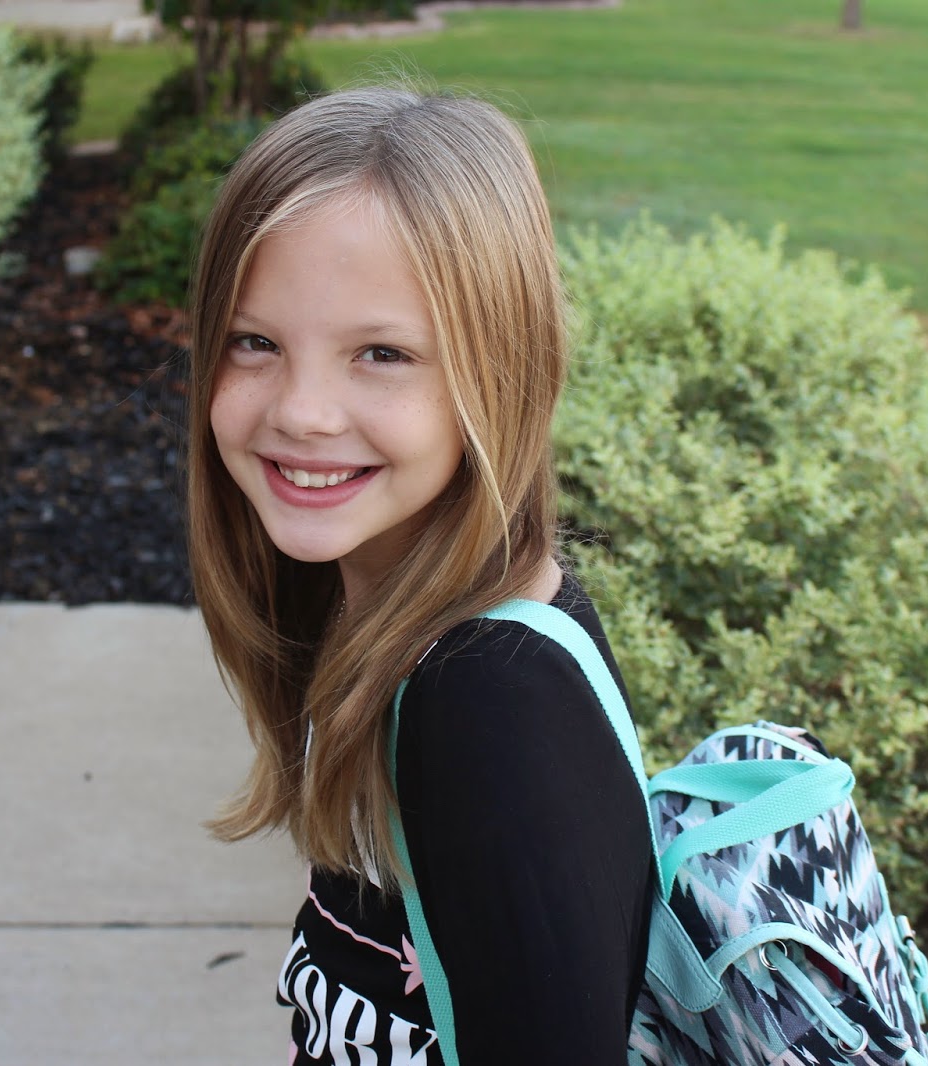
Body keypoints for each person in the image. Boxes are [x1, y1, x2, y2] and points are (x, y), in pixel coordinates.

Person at [185, 85, 652, 1065]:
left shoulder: (479, 708)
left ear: (504, 372)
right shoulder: (385, 620)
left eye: (382, 354)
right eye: (255, 341)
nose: (304, 411)